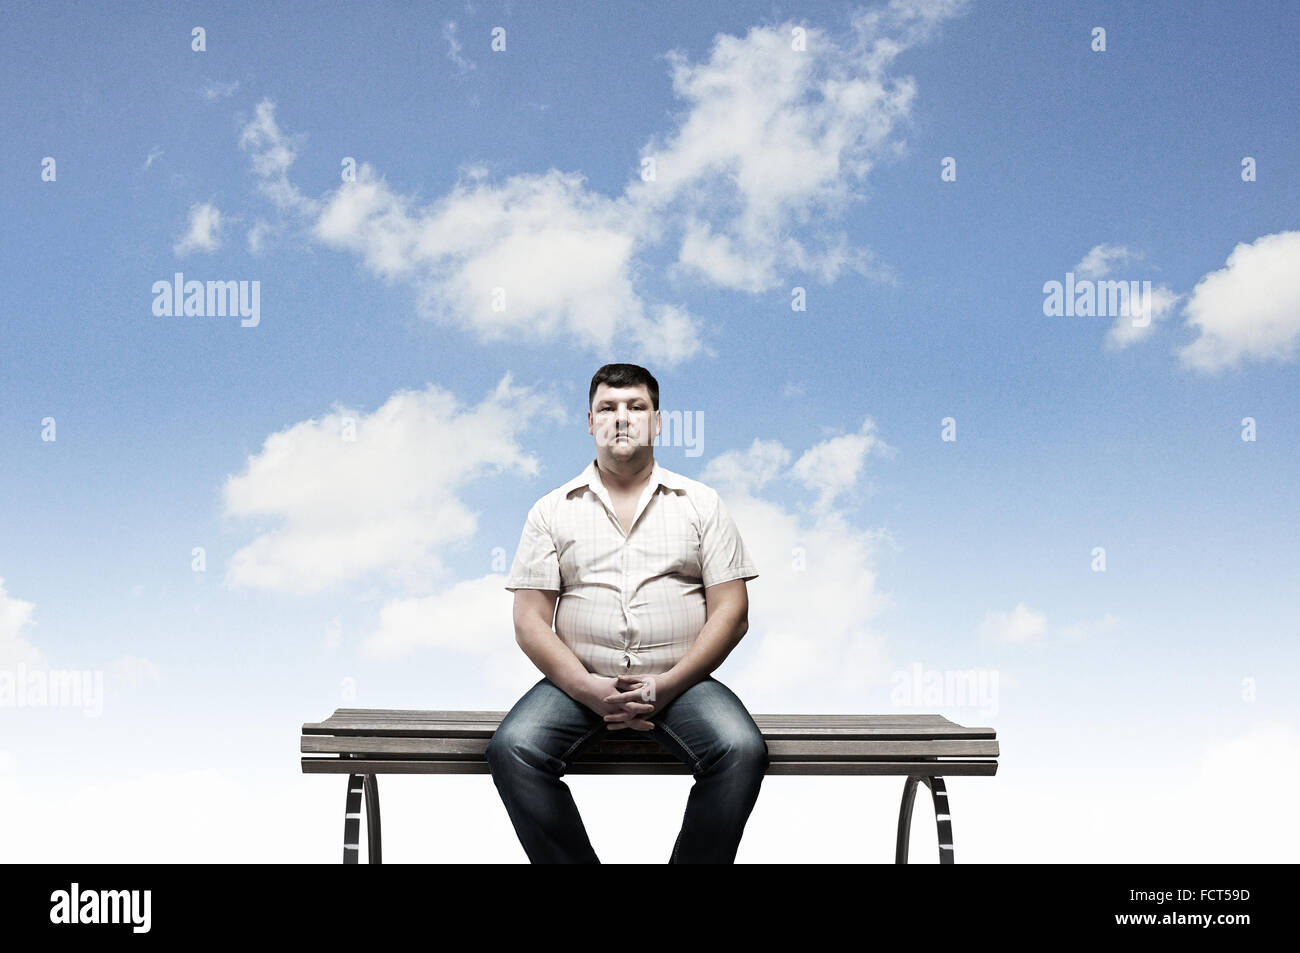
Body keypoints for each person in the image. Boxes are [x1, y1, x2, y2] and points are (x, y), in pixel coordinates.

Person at [485, 362, 769, 863]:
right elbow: (529, 620)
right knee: (513, 749)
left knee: (742, 750)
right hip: (579, 681)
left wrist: (670, 684)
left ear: (658, 422)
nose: (622, 419)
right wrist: (584, 687)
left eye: (636, 407)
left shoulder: (701, 504)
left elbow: (732, 611)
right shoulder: (551, 510)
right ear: (589, 422)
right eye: (607, 409)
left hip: (682, 682)